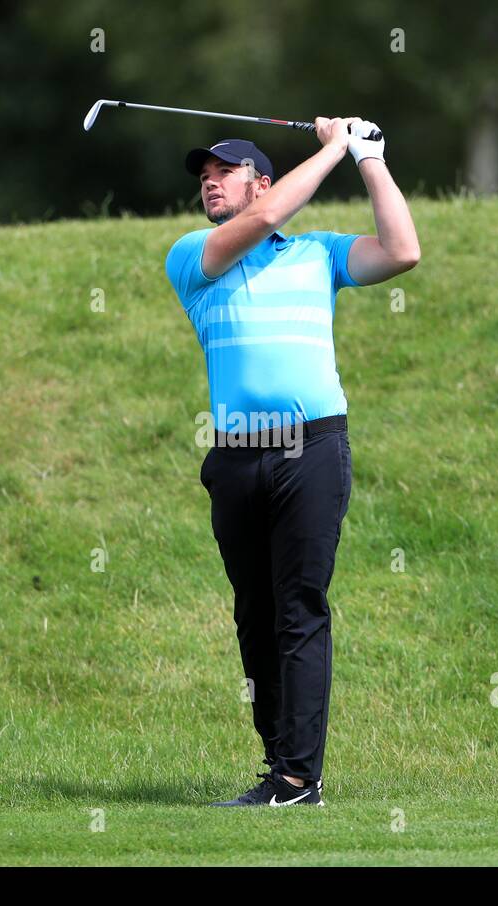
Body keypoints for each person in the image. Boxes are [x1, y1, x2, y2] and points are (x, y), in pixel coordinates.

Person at [165, 117, 420, 807]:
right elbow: (269, 216)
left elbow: (402, 250)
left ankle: (298, 777)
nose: (209, 182)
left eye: (224, 171)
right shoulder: (195, 253)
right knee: (255, 613)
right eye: (203, 177)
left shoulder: (318, 253)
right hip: (237, 455)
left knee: (299, 608)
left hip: (313, 447)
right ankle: (280, 762)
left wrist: (369, 157)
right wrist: (333, 146)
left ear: (261, 180)